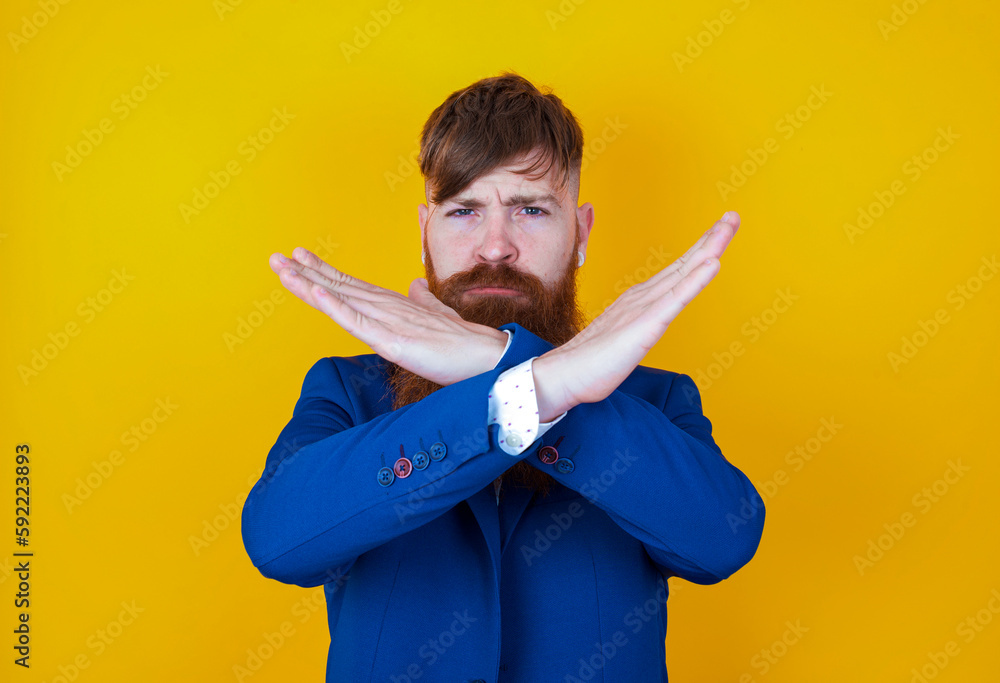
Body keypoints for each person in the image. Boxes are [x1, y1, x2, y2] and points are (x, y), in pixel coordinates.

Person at [241, 72, 765, 682]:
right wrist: (535, 386)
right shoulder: (345, 391)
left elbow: (720, 540)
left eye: (531, 210)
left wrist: (495, 361)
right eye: (464, 209)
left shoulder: (656, 399)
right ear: (424, 233)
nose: (495, 247)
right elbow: (279, 540)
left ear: (581, 235)